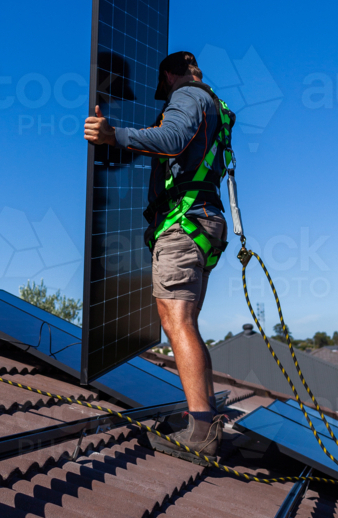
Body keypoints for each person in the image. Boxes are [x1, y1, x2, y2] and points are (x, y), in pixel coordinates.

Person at [84, 50, 236, 461]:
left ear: (170, 74)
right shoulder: (215, 105)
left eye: (161, 87)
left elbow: (170, 140)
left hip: (185, 223)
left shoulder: (186, 95)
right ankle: (202, 416)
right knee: (186, 323)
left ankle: (201, 431)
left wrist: (113, 134)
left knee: (177, 323)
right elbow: (170, 144)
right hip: (205, 222)